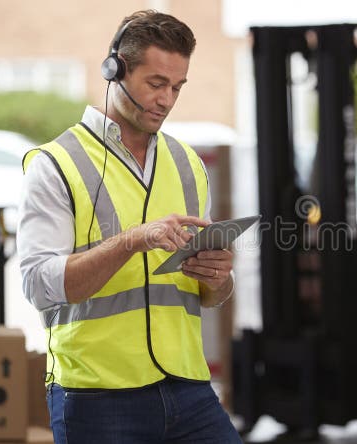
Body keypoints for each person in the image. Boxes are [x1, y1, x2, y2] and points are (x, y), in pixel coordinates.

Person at [17, 10, 239, 443]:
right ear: (114, 70)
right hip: (98, 395)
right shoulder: (55, 165)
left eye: (177, 87)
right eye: (156, 84)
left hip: (188, 387)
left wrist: (218, 278)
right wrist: (134, 239)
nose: (167, 100)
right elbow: (38, 285)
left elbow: (211, 296)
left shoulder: (189, 164)